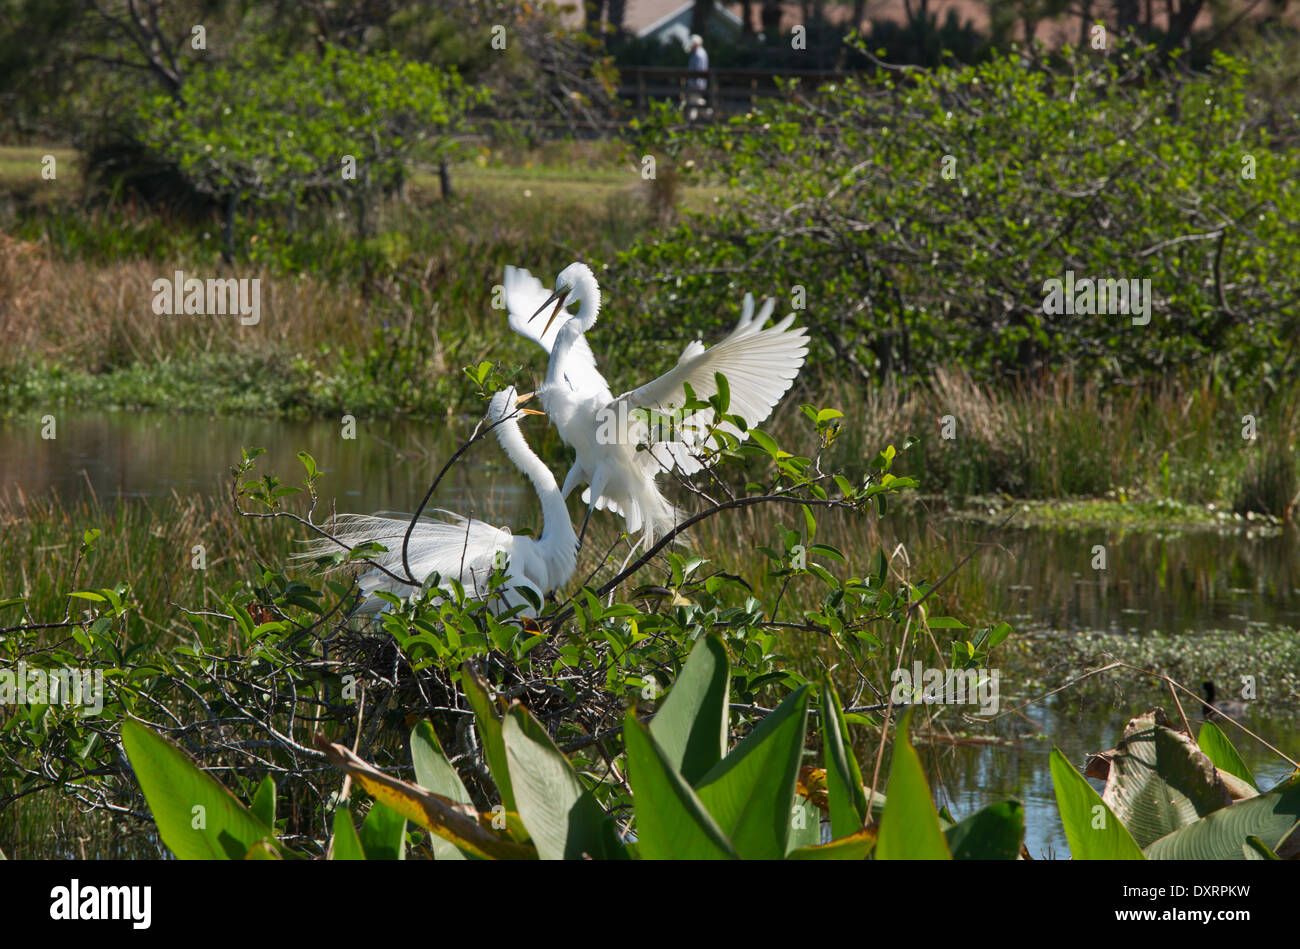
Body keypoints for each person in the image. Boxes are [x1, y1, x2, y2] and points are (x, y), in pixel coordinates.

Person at [686, 34, 711, 121]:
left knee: (694, 101)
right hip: (697, 82)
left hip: (696, 83)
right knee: (695, 101)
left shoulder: (699, 54)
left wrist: (696, 82)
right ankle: (694, 119)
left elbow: (699, 70)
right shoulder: (698, 53)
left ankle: (708, 115)